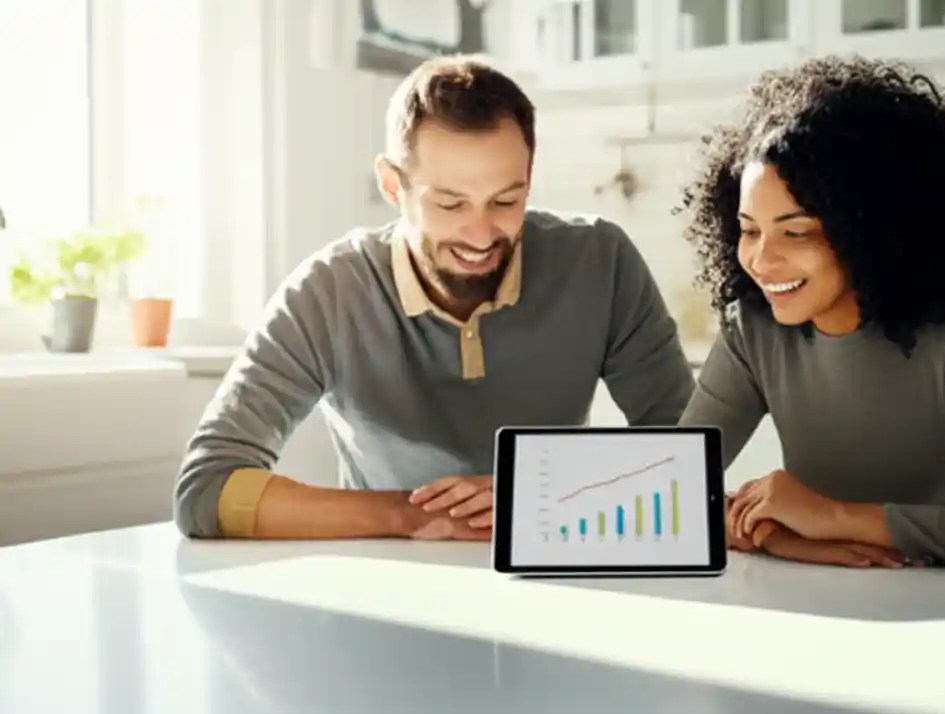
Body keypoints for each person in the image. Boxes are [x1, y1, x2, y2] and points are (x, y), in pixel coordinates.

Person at [174, 57, 694, 541]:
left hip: (553, 568)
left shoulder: (600, 262)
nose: (481, 233)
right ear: (391, 185)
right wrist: (412, 514)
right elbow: (207, 488)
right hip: (389, 588)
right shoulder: (330, 292)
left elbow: (690, 458)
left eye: (506, 200)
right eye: (450, 203)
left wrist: (542, 491)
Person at [677, 56, 945, 573]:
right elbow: (669, 496)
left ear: (869, 230)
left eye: (795, 232)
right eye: (749, 230)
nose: (761, 259)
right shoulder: (753, 328)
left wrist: (833, 516)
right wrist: (778, 535)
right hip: (826, 609)